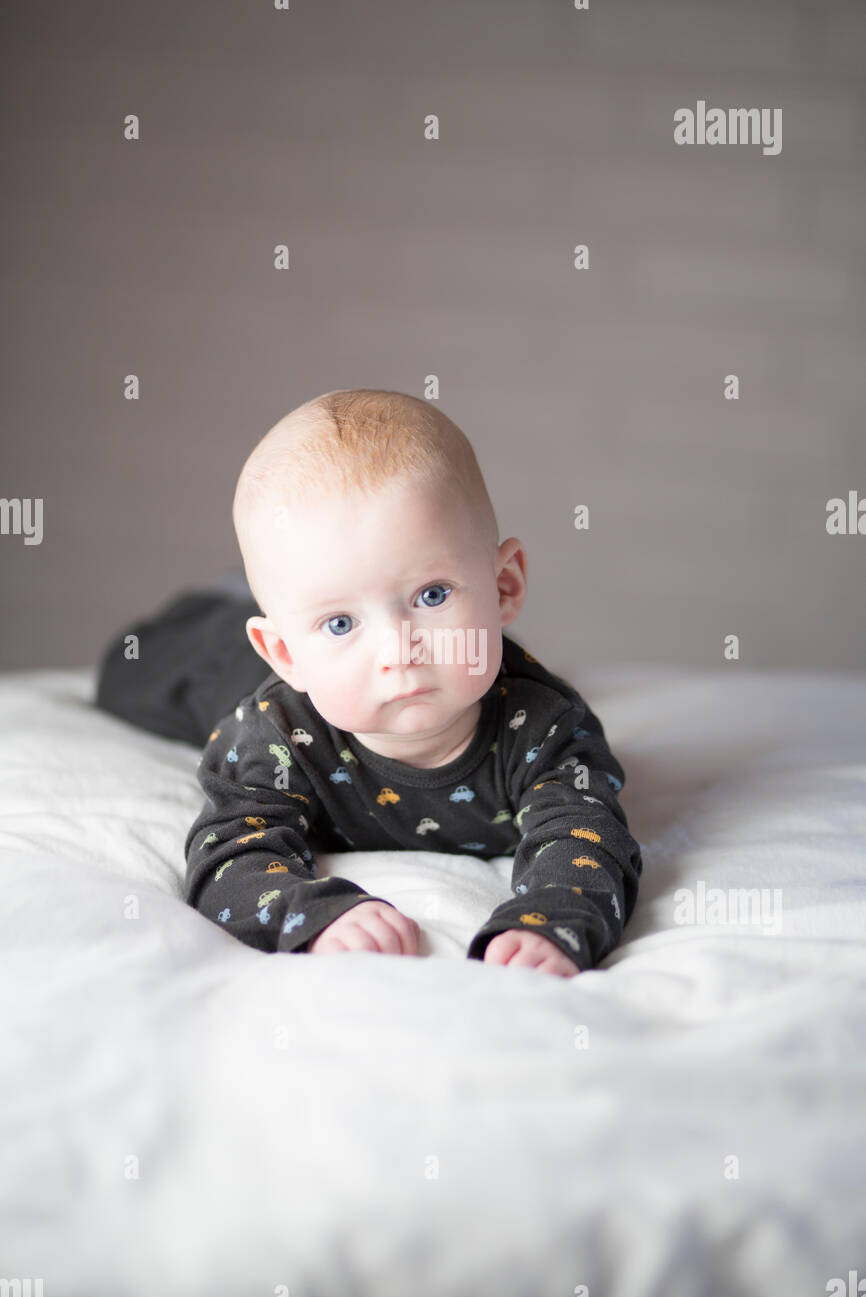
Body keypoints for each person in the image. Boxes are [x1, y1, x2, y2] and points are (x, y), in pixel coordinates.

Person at [96, 388, 642, 976]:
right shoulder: (272, 735)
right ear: (284, 651)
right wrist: (313, 914)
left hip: (319, 663)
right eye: (341, 621)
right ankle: (231, 605)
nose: (397, 649)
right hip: (239, 669)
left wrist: (553, 919)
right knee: (134, 675)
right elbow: (230, 860)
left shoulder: (546, 726)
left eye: (431, 595)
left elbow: (586, 837)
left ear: (504, 587)